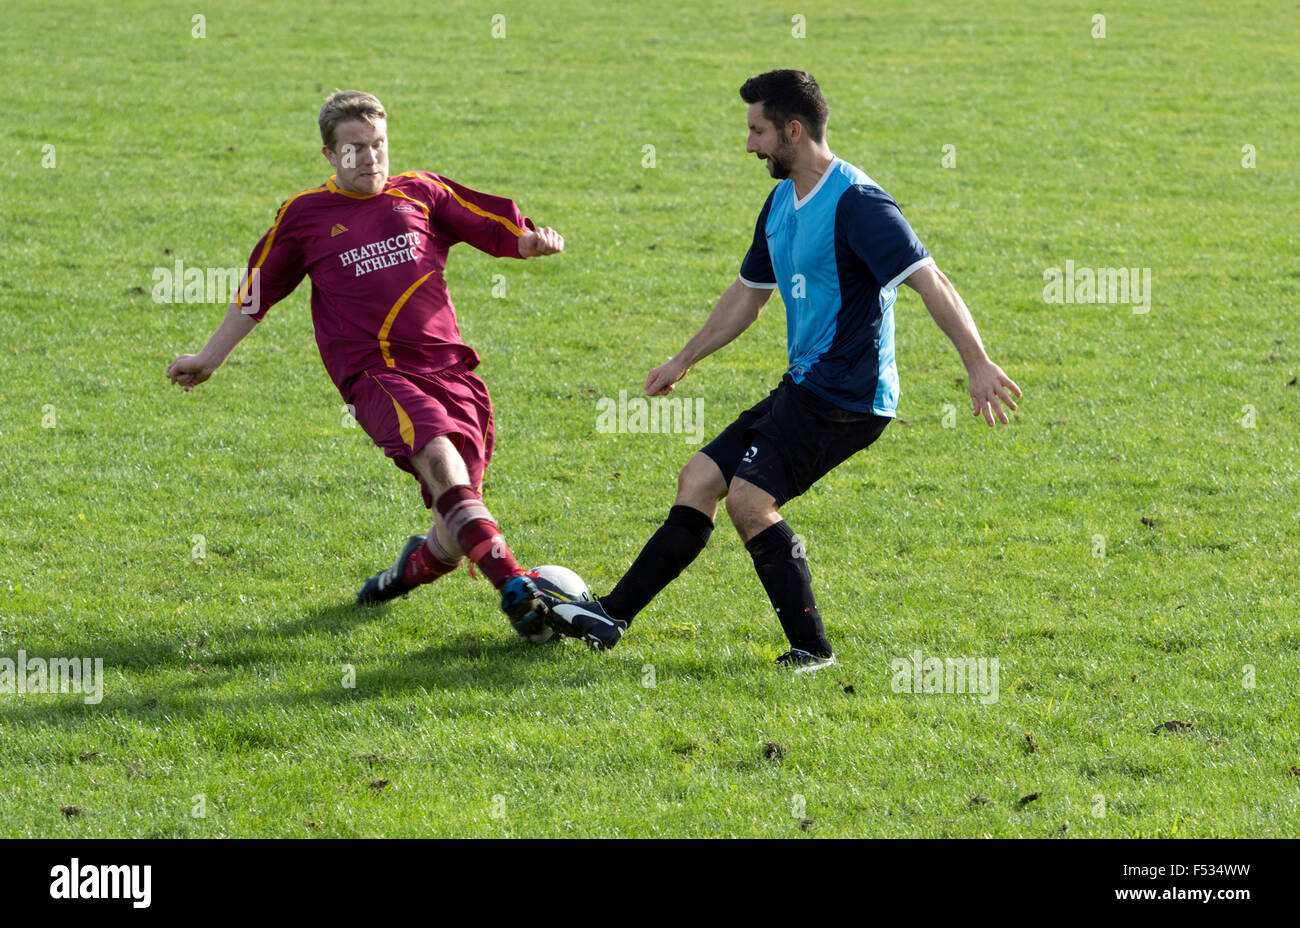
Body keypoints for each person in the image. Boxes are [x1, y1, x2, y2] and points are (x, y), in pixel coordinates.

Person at [542, 70, 1022, 667]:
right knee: (698, 480)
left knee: (749, 500)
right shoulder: (779, 203)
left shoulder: (859, 204)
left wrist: (977, 363)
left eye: (757, 131)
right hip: (805, 385)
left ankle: (812, 651)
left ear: (793, 131)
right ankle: (612, 617)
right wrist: (683, 358)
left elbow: (931, 280)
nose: (749, 146)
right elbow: (748, 294)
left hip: (849, 395)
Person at [165, 90, 565, 637]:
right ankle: (516, 587)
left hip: (453, 372)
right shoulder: (305, 216)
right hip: (377, 375)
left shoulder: (421, 192)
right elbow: (259, 291)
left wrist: (529, 243)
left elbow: (494, 228)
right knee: (440, 457)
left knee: (456, 516)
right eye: (355, 148)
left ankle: (410, 569)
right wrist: (209, 357)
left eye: (378, 144)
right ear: (329, 155)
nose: (371, 158)